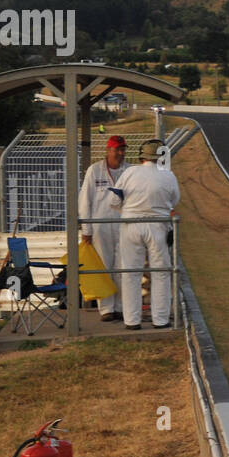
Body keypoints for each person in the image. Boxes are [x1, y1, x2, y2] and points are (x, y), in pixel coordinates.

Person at [111, 138, 180, 330]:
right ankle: (160, 319)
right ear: (160, 157)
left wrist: (128, 211)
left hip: (130, 225)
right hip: (158, 225)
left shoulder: (130, 172)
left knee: (131, 273)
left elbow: (114, 200)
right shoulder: (168, 175)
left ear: (142, 156)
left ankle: (132, 320)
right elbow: (174, 200)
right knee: (161, 273)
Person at [78, 134, 128, 321]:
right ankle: (107, 309)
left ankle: (122, 307)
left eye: (122, 149)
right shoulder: (95, 170)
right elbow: (85, 201)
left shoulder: (130, 170)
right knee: (104, 267)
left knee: (123, 268)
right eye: (116, 149)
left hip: (124, 225)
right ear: (108, 151)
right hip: (100, 226)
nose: (120, 153)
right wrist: (86, 230)